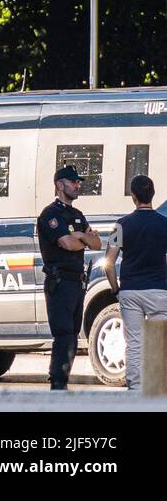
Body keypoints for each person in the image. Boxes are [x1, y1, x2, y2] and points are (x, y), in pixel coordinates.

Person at [37, 165, 102, 390]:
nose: (77, 185)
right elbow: (66, 243)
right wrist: (80, 239)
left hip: (76, 282)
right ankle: (58, 382)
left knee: (73, 335)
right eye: (73, 182)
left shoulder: (77, 215)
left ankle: (62, 379)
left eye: (77, 182)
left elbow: (97, 242)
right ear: (60, 185)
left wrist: (80, 236)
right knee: (64, 333)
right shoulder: (50, 214)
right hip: (60, 281)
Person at [103, 174, 167, 391]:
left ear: (133, 196)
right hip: (160, 290)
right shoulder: (165, 223)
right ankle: (157, 388)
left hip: (130, 291)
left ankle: (136, 389)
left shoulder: (120, 225)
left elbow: (109, 263)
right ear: (153, 195)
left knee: (135, 344)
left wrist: (115, 290)